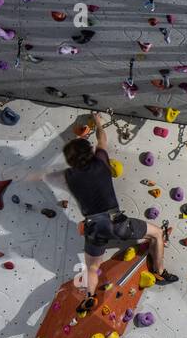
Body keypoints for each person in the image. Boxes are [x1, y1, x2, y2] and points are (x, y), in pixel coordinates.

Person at [61, 113, 167, 306]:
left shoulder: (70, 176)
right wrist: (98, 123)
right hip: (117, 223)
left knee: (92, 267)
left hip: (94, 227)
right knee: (158, 233)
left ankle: (90, 296)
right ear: (89, 152)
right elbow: (102, 139)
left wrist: (78, 140)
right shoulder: (100, 162)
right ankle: (160, 272)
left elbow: (76, 158)